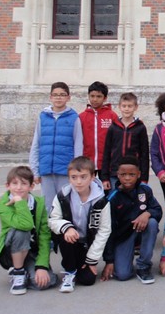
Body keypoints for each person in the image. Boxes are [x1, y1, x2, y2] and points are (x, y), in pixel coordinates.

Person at [48, 156, 111, 293]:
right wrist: (66, 227)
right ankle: (69, 272)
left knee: (87, 279)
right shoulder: (62, 196)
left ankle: (79, 264)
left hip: (87, 243)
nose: (78, 182)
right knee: (67, 236)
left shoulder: (101, 200)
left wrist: (92, 259)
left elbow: (104, 230)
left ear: (93, 176)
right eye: (74, 177)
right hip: (70, 239)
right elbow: (53, 219)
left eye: (83, 177)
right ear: (69, 178)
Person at [0, 165, 57, 295]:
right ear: (7, 185)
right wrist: (19, 202)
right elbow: (25, 225)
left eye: (24, 183)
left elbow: (44, 235)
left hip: (31, 251)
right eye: (14, 183)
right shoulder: (3, 205)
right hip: (10, 252)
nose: (19, 187)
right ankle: (18, 272)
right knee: (21, 231)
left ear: (31, 186)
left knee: (46, 282)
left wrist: (42, 266)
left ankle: (27, 271)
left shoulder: (38, 204)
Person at [101, 156, 162, 285]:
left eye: (132, 174)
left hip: (142, 230)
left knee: (152, 222)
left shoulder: (145, 190)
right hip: (123, 236)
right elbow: (108, 229)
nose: (127, 178)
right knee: (122, 275)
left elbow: (157, 210)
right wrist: (109, 261)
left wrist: (147, 213)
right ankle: (125, 256)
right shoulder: (112, 198)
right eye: (123, 174)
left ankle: (143, 266)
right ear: (117, 175)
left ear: (138, 174)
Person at [29, 81, 83, 213]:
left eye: (62, 95)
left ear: (68, 97)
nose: (59, 98)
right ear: (50, 97)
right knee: (47, 206)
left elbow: (78, 145)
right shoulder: (43, 117)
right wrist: (35, 169)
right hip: (46, 169)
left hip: (65, 170)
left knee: (65, 204)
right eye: (55, 95)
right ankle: (48, 233)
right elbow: (36, 143)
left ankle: (63, 232)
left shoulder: (74, 118)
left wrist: (76, 170)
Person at [100, 92, 149, 190]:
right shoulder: (113, 127)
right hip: (115, 172)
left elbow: (144, 154)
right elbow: (106, 152)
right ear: (119, 107)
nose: (127, 109)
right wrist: (105, 177)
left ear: (135, 107)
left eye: (130, 106)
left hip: (133, 172)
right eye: (124, 106)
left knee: (133, 201)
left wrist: (144, 178)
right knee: (115, 200)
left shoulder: (140, 127)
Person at [79, 81, 119, 177]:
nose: (95, 99)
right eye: (92, 96)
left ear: (104, 98)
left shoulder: (112, 116)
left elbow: (117, 138)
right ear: (88, 96)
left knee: (106, 190)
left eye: (98, 96)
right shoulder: (81, 117)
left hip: (106, 163)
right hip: (87, 162)